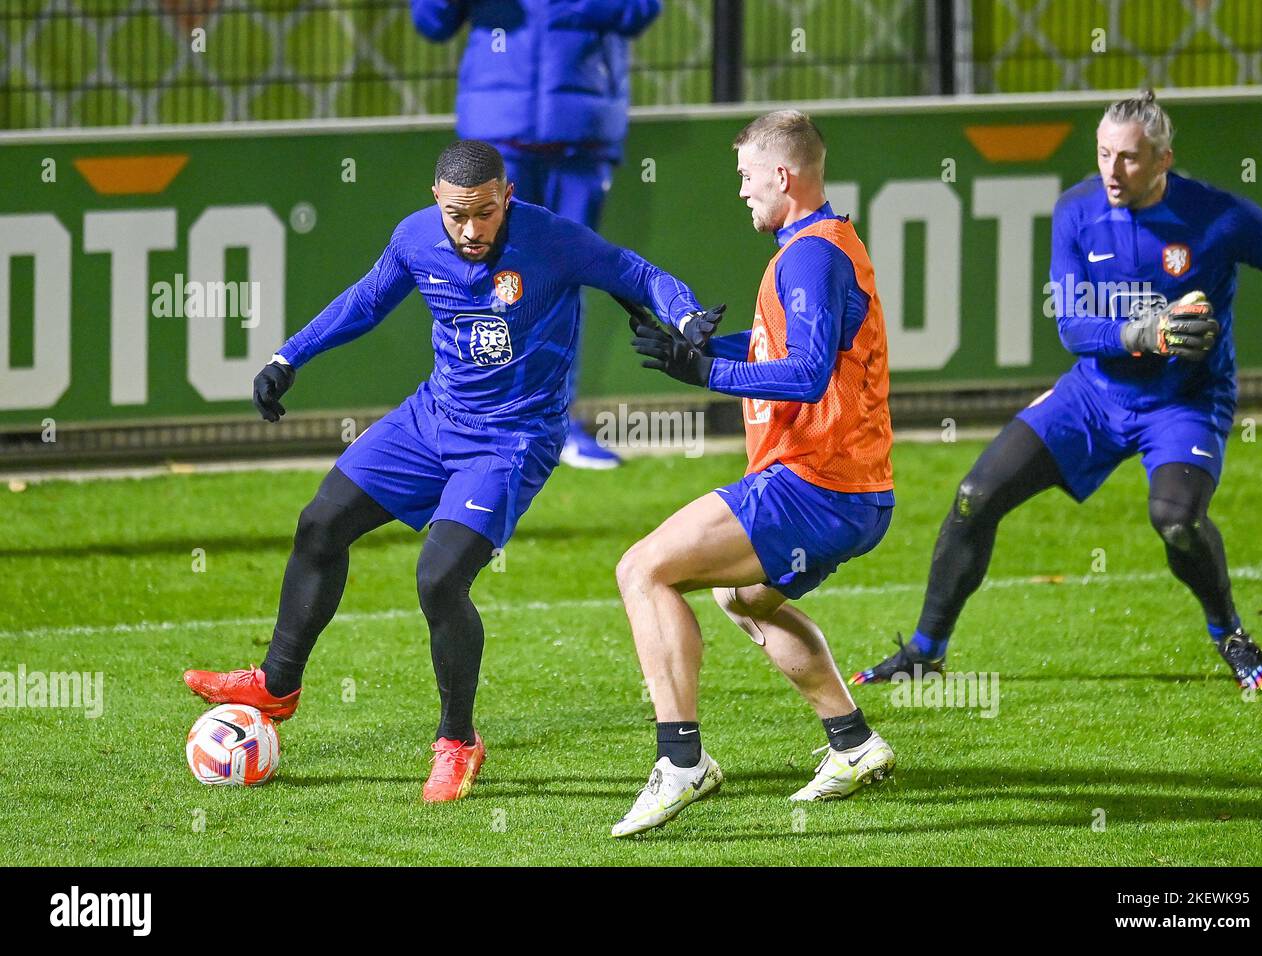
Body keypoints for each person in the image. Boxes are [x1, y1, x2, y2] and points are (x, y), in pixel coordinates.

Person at [183, 140, 718, 802]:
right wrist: (288, 357)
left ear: (507, 198)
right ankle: (277, 682)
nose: (471, 231)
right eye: (458, 215)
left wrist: (686, 314)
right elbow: (366, 300)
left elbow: (636, 273)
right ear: (437, 198)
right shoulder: (415, 238)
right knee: (321, 523)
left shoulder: (550, 240)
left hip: (511, 441)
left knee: (439, 578)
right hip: (431, 419)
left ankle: (458, 741)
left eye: (485, 214)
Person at [853, 90, 1262, 692]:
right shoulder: (1077, 210)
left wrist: (1165, 339)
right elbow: (1071, 326)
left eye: (1131, 158)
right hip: (1093, 395)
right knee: (973, 496)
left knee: (1176, 520)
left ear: (1165, 159)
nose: (1113, 171)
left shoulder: (1219, 217)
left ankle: (1230, 635)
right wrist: (1147, 330)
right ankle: (927, 652)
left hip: (1183, 403)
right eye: (1104, 154)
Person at [609, 111, 896, 837]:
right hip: (853, 490)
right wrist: (701, 341)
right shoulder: (822, 245)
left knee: (644, 570)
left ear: (782, 175)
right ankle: (854, 745)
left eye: (745, 177)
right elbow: (795, 347)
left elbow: (802, 375)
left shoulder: (808, 256)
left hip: (814, 482)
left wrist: (704, 369)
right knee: (746, 597)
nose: (740, 191)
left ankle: (681, 763)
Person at [411, 0, 663, 469]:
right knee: (482, 279)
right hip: (499, 138)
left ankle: (554, 423)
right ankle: (473, 421)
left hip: (580, 136)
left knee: (563, 282)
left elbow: (640, 11)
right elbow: (430, 21)